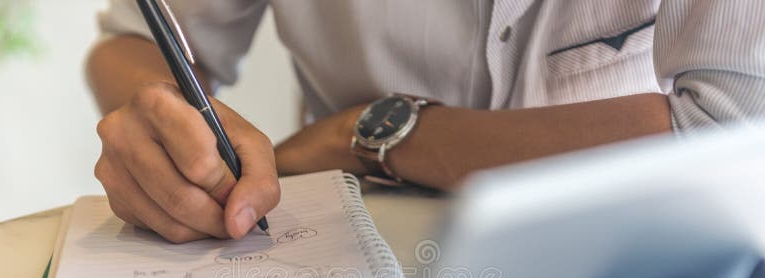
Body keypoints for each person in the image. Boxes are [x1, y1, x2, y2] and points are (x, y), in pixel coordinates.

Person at [87, 1, 765, 243]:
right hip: (344, 265)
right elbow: (135, 43)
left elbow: (737, 139)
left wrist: (371, 134)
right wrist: (157, 114)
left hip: (635, 264)